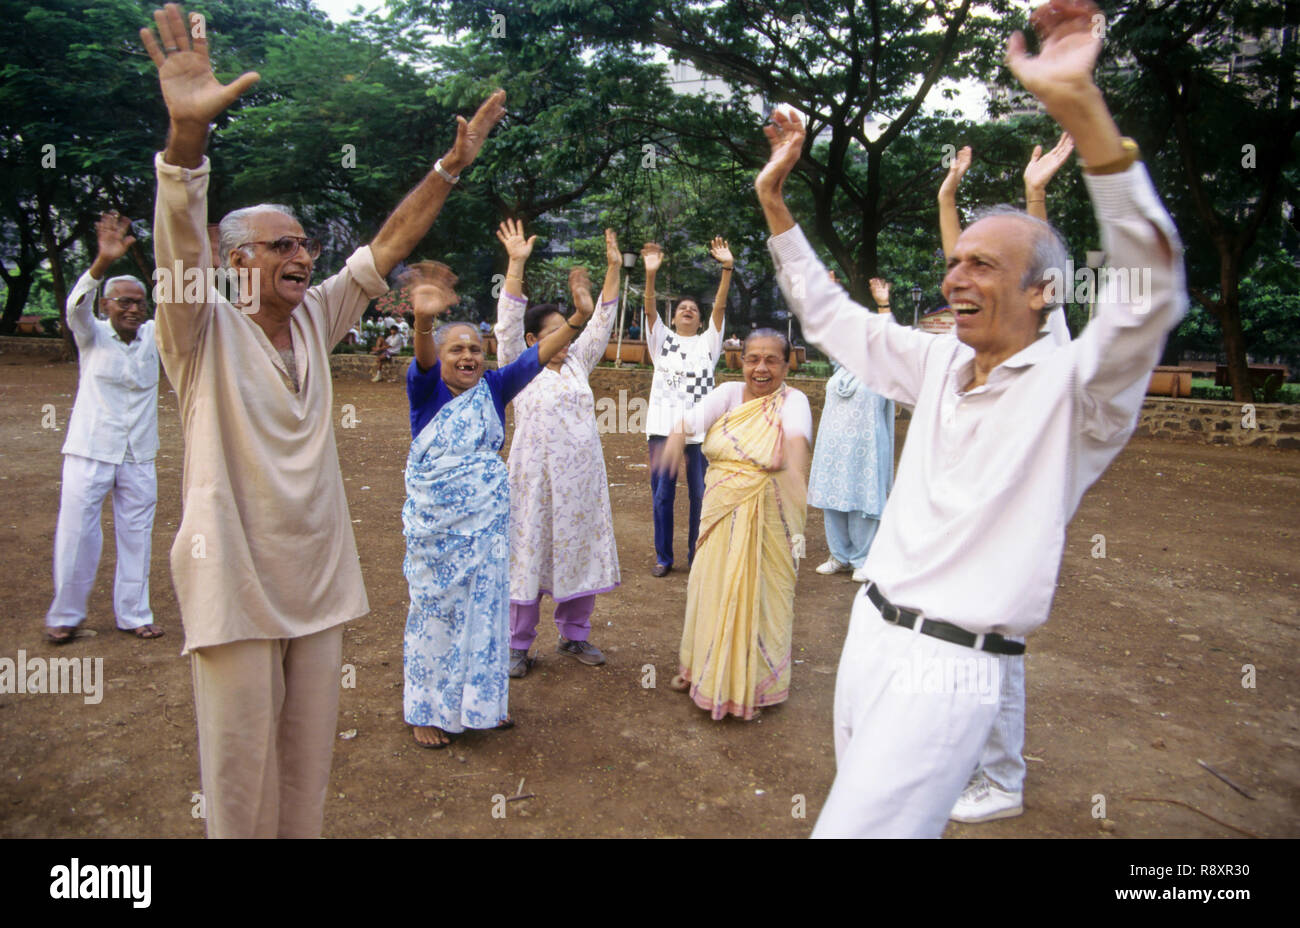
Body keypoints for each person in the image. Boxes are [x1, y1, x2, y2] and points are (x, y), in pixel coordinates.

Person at [754, 0, 1186, 837]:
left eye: (983, 263)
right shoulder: (939, 361)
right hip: (868, 632)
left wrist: (1081, 107)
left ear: (1041, 292)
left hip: (948, 668)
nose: (956, 277)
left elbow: (1151, 295)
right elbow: (832, 319)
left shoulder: (1077, 392)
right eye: (954, 261)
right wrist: (775, 199)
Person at [141, 2, 505, 836]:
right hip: (232, 584)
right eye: (280, 247)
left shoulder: (317, 316)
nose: (301, 256)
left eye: (304, 244)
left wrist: (450, 167)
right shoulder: (196, 327)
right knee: (239, 781)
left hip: (318, 582)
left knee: (306, 774)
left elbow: (386, 245)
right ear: (236, 263)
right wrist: (187, 140)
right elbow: (176, 245)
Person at [936, 127, 1076, 826]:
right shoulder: (985, 347)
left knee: (998, 653)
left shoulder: (1051, 350)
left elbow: (1034, 268)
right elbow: (971, 268)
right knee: (972, 648)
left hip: (1013, 537)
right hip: (976, 528)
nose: (965, 281)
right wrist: (947, 197)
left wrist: (1035, 195)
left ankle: (1001, 778)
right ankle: (982, 765)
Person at [403, 264, 599, 747]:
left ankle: (480, 705)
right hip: (438, 529)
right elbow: (424, 357)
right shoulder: (426, 390)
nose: (467, 356)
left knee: (486, 611)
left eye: (474, 348)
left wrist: (578, 317)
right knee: (435, 612)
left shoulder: (493, 388)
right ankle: (425, 711)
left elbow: (538, 355)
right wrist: (424, 323)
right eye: (457, 349)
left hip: (487, 527)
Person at [655, 329, 812, 720]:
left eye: (771, 360)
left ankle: (756, 683)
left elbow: (795, 438)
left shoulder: (795, 401)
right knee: (712, 587)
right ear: (740, 361)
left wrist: (794, 472)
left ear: (786, 362)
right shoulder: (726, 393)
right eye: (752, 359)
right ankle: (706, 673)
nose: (761, 368)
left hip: (770, 513)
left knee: (764, 595)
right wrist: (676, 438)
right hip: (721, 509)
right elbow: (691, 420)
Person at [493, 220, 622, 678]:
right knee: (527, 553)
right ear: (533, 341)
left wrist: (613, 268)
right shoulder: (519, 367)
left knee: (578, 551)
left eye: (570, 333)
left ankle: (574, 633)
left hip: (581, 486)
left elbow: (602, 317)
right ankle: (518, 644)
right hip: (531, 482)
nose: (567, 341)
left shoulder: (578, 365)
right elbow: (506, 324)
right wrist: (515, 263)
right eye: (558, 333)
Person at [45, 211, 163, 644]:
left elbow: (188, 316)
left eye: (139, 302)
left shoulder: (153, 336)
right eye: (124, 302)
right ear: (105, 305)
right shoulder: (90, 333)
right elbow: (74, 305)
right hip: (90, 449)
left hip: (139, 453)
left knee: (137, 535)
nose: (133, 308)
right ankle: (66, 614)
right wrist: (101, 262)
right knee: (77, 533)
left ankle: (134, 614)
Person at [642, 237, 732, 577]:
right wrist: (651, 274)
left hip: (699, 431)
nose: (688, 310)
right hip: (663, 429)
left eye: (694, 308)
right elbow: (650, 309)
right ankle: (664, 558)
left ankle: (698, 557)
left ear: (699, 318)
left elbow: (720, 309)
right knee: (662, 496)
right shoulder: (660, 341)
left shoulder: (708, 343)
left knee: (700, 495)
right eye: (682, 308)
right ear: (674, 316)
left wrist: (727, 268)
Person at [810, 276, 895, 584]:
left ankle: (863, 558)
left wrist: (883, 304)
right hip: (834, 448)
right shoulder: (841, 367)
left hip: (866, 449)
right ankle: (840, 556)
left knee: (862, 503)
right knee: (834, 500)